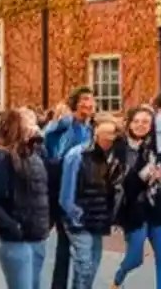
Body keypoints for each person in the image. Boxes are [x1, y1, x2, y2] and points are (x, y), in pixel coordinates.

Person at [0, 108, 51, 289]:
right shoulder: (0, 158)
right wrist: (13, 227)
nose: (34, 125)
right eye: (29, 122)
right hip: (15, 240)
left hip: (37, 236)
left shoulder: (35, 154)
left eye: (34, 121)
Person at [110, 107, 161, 289]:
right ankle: (118, 279)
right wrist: (144, 175)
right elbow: (124, 183)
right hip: (133, 210)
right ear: (129, 123)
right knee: (135, 259)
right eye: (136, 121)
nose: (140, 125)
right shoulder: (121, 148)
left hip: (157, 209)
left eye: (145, 122)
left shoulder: (157, 149)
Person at [58, 114, 119, 289]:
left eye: (112, 134)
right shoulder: (77, 155)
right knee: (84, 264)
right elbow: (66, 194)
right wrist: (77, 215)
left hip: (98, 219)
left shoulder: (113, 157)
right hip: (80, 218)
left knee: (93, 264)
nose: (108, 138)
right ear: (95, 133)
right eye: (104, 134)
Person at [42, 87, 95, 289]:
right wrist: (60, 120)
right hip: (60, 188)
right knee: (64, 243)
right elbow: (49, 140)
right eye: (84, 100)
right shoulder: (68, 124)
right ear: (75, 103)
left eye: (91, 100)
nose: (89, 104)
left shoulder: (88, 128)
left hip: (78, 189)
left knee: (66, 244)